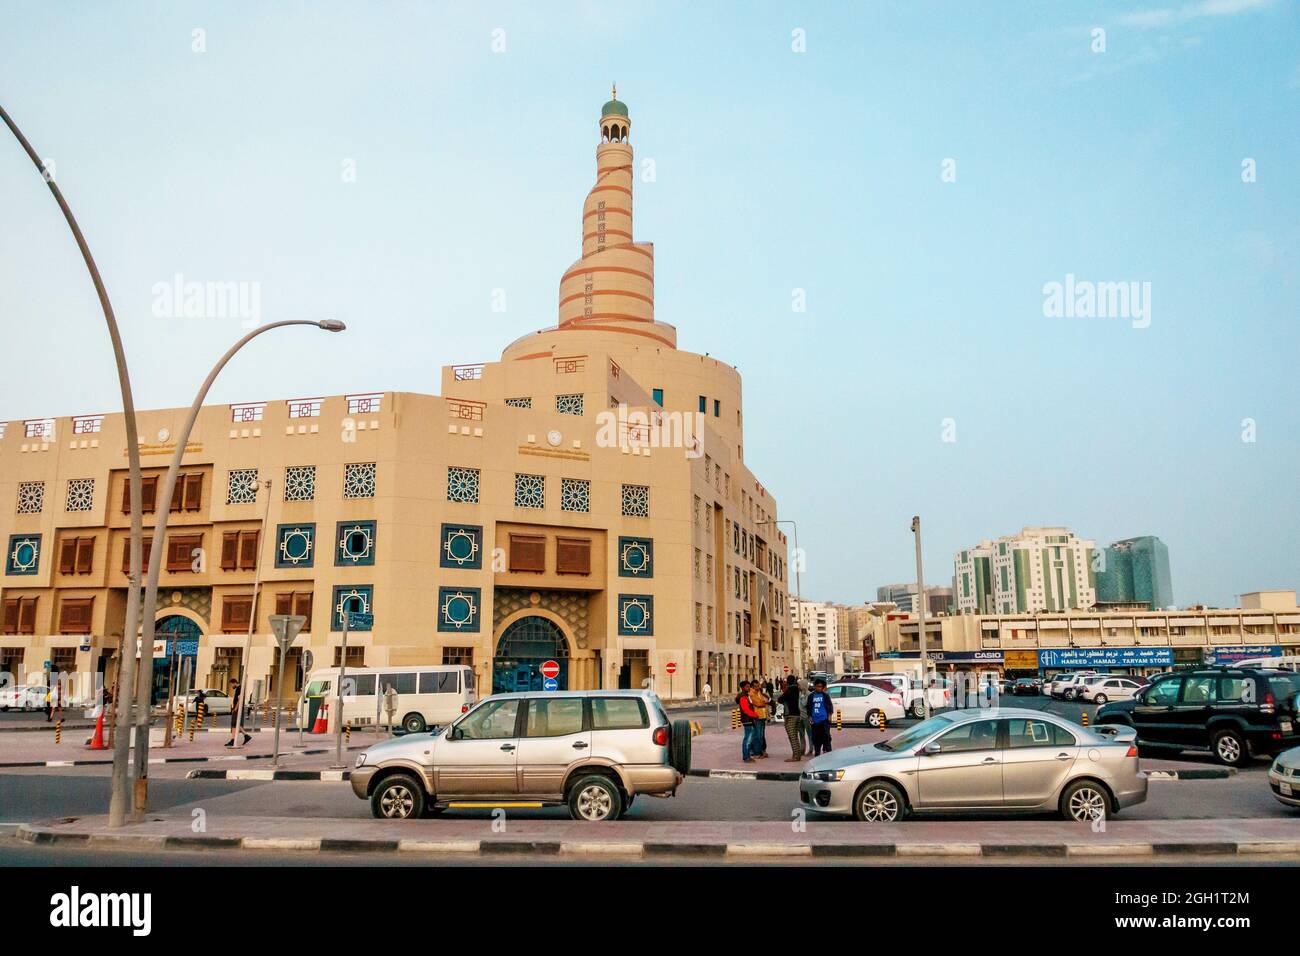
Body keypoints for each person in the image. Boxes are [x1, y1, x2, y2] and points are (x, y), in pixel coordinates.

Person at [805, 678, 835, 756]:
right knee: (816, 738)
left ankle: (828, 752)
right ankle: (817, 753)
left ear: (822, 687)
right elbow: (808, 707)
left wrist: (829, 716)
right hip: (815, 721)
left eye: (821, 686)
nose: (819, 688)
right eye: (818, 686)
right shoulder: (811, 696)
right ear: (815, 686)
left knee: (826, 737)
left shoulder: (825, 696)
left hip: (824, 720)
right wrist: (810, 717)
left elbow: (830, 706)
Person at [779, 676, 804, 761]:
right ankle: (797, 754)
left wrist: (785, 690)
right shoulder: (798, 689)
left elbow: (780, 699)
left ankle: (796, 756)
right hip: (798, 715)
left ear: (788, 682)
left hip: (790, 716)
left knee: (792, 736)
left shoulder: (789, 690)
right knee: (795, 736)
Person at [736, 680, 759, 763]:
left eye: (749, 686)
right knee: (748, 739)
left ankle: (748, 755)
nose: (749, 688)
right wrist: (755, 715)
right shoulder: (743, 697)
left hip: (750, 719)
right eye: (747, 687)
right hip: (747, 720)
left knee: (750, 738)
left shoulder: (747, 696)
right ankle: (746, 757)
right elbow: (746, 710)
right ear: (742, 688)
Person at [225, 679, 252, 747]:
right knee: (236, 724)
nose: (231, 686)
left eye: (231, 684)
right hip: (238, 709)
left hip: (238, 709)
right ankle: (245, 736)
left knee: (235, 724)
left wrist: (235, 708)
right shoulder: (239, 688)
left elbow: (240, 699)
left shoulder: (239, 688)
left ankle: (234, 740)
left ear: (234, 683)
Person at [749, 680, 769, 758]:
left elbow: (765, 700)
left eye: (758, 686)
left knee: (761, 735)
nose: (757, 687)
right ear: (752, 687)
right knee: (757, 735)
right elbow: (758, 703)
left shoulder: (759, 692)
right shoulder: (752, 694)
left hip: (762, 716)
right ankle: (757, 752)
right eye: (756, 686)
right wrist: (764, 702)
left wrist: (764, 702)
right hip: (757, 716)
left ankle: (761, 751)